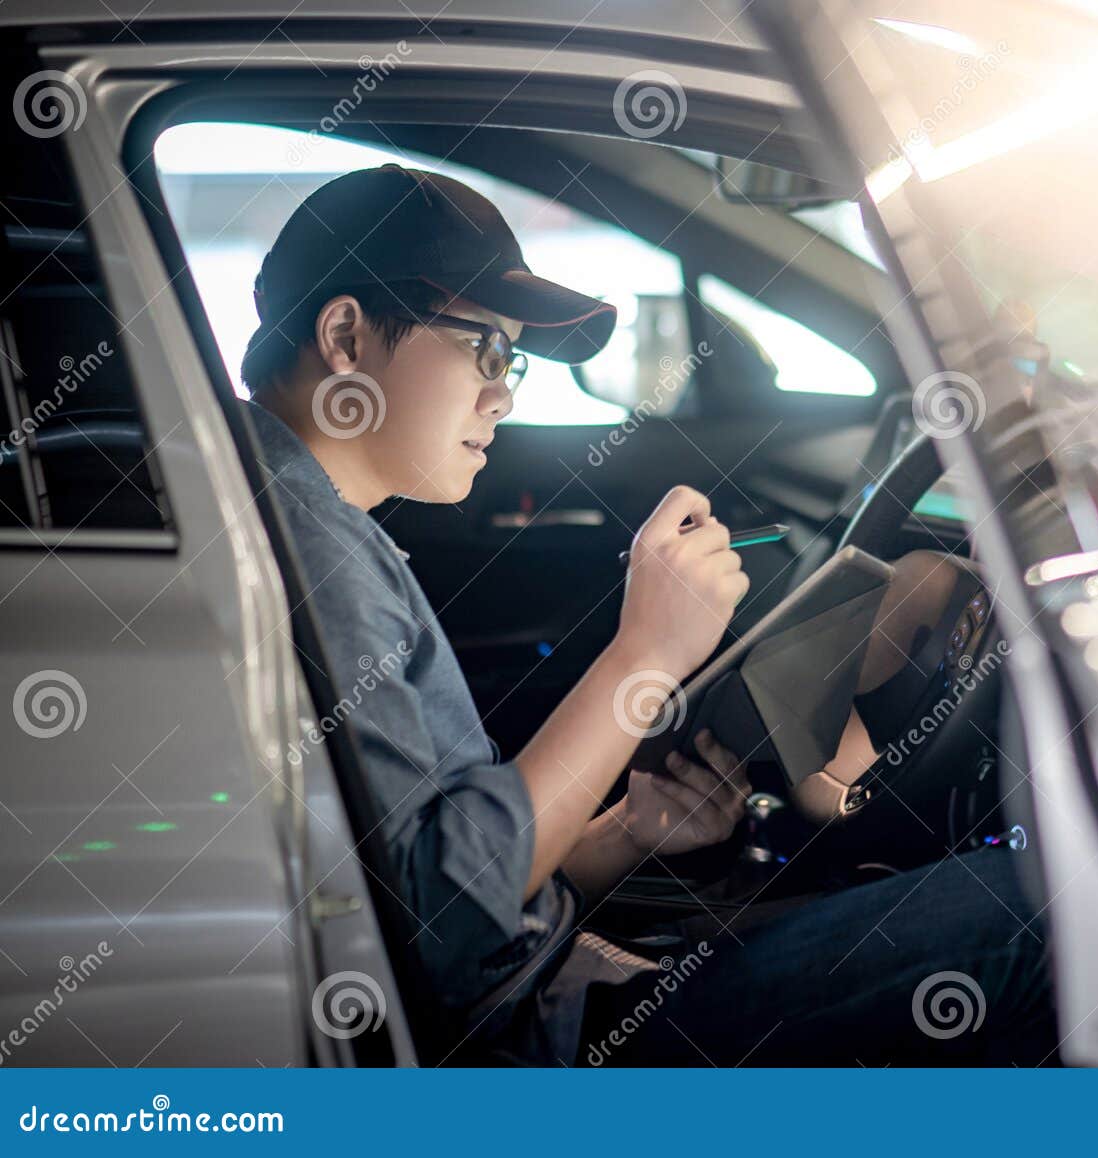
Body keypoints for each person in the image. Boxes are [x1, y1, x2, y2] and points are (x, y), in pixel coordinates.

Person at [239, 164, 1055, 1065]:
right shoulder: (306, 554)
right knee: (1054, 913)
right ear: (347, 335)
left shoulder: (296, 516)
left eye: (511, 362)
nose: (504, 394)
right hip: (534, 1047)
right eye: (485, 349)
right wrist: (644, 655)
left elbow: (435, 889)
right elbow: (443, 921)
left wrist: (625, 835)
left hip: (552, 983)